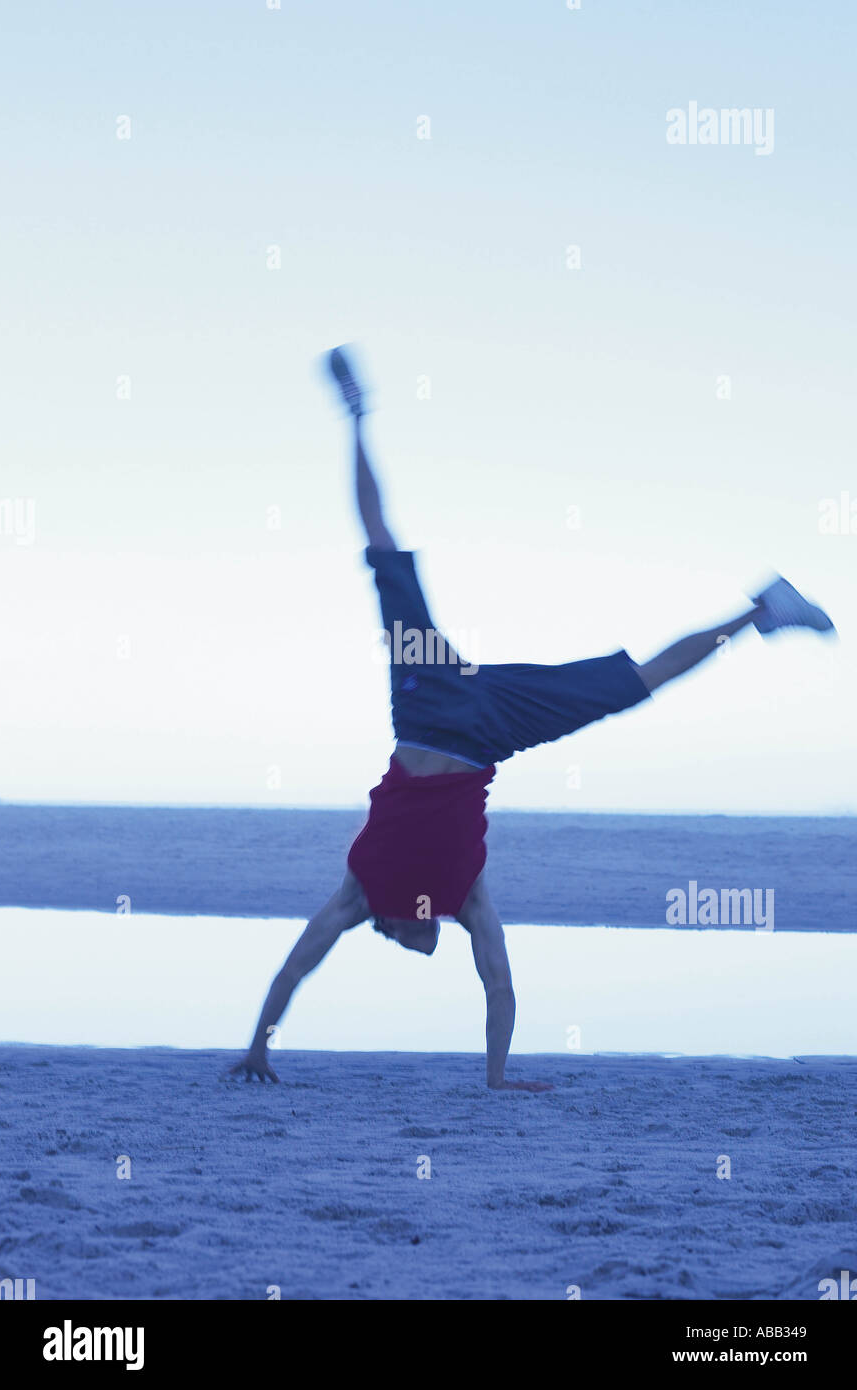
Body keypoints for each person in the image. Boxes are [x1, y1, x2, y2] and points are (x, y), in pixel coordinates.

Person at [230, 346, 835, 1091]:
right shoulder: (462, 899)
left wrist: (260, 1045)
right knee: (636, 684)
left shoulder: (360, 894)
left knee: (384, 554)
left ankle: (356, 415)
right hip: (492, 730)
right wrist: (495, 1076)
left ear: (394, 928)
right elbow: (499, 986)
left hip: (428, 704)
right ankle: (763, 609)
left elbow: (299, 961)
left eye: (410, 946)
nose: (423, 950)